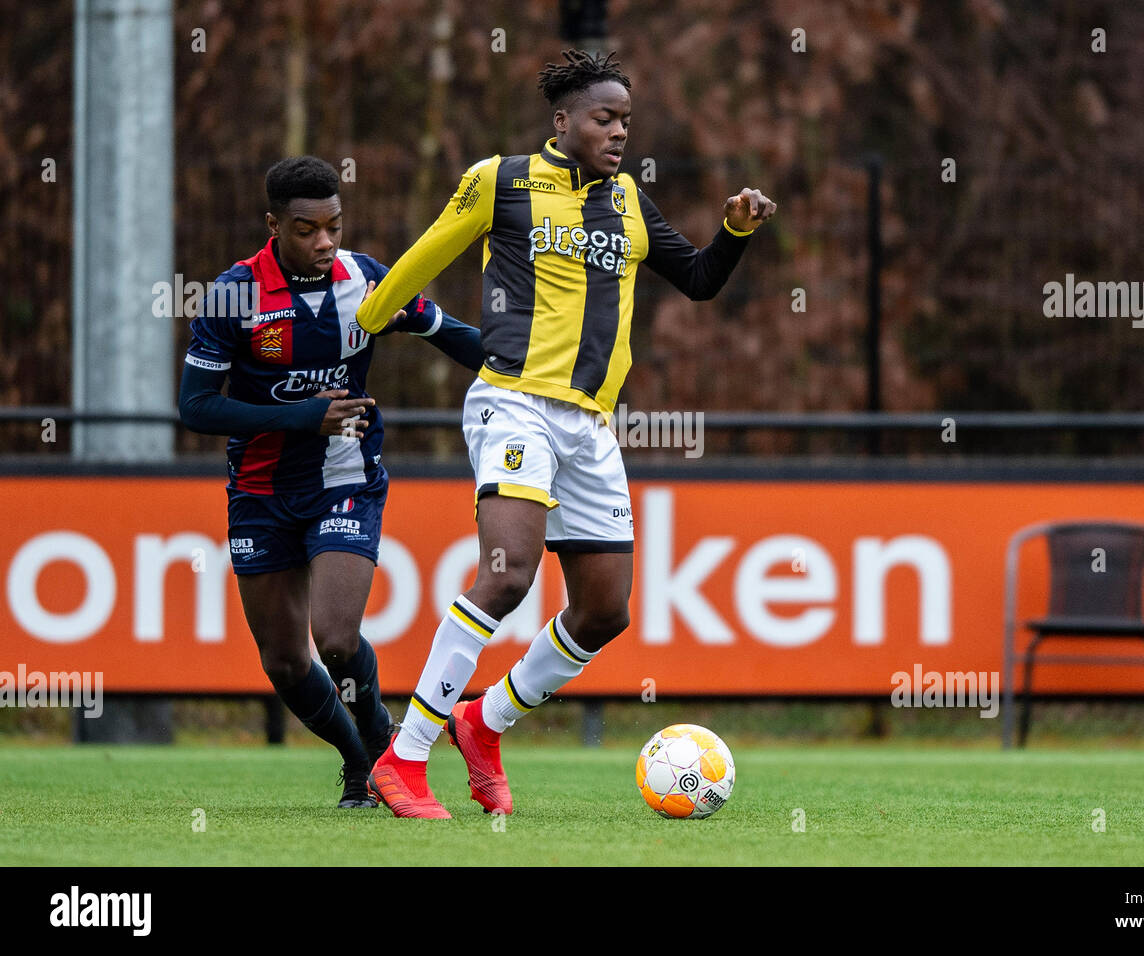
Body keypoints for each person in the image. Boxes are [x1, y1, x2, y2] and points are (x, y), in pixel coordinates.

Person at [356, 50, 775, 819]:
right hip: (514, 401)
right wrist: (369, 324)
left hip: (590, 425)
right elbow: (421, 260)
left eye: (625, 121)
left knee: (604, 610)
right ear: (563, 121)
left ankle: (484, 724)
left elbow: (702, 280)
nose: (618, 132)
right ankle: (404, 756)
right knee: (509, 572)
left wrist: (734, 230)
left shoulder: (629, 203)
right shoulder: (501, 181)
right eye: (603, 118)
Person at [178, 156, 483, 807]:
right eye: (307, 229)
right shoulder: (235, 296)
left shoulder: (369, 282)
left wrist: (530, 364)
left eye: (335, 226)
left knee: (337, 639)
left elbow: (452, 335)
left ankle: (381, 749)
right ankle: (361, 760)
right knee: (285, 663)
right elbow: (196, 406)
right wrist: (303, 417)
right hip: (259, 491)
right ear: (273, 226)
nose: (324, 242)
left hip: (346, 477)